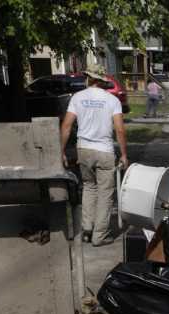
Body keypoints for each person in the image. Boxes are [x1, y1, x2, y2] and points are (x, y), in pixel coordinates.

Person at [60, 70, 128, 247]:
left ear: (89, 79)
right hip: (104, 150)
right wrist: (124, 154)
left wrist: (60, 151)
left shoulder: (77, 97)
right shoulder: (112, 100)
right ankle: (100, 235)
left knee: (89, 187)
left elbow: (66, 126)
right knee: (105, 193)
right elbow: (119, 129)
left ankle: (87, 231)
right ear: (102, 81)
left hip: (84, 149)